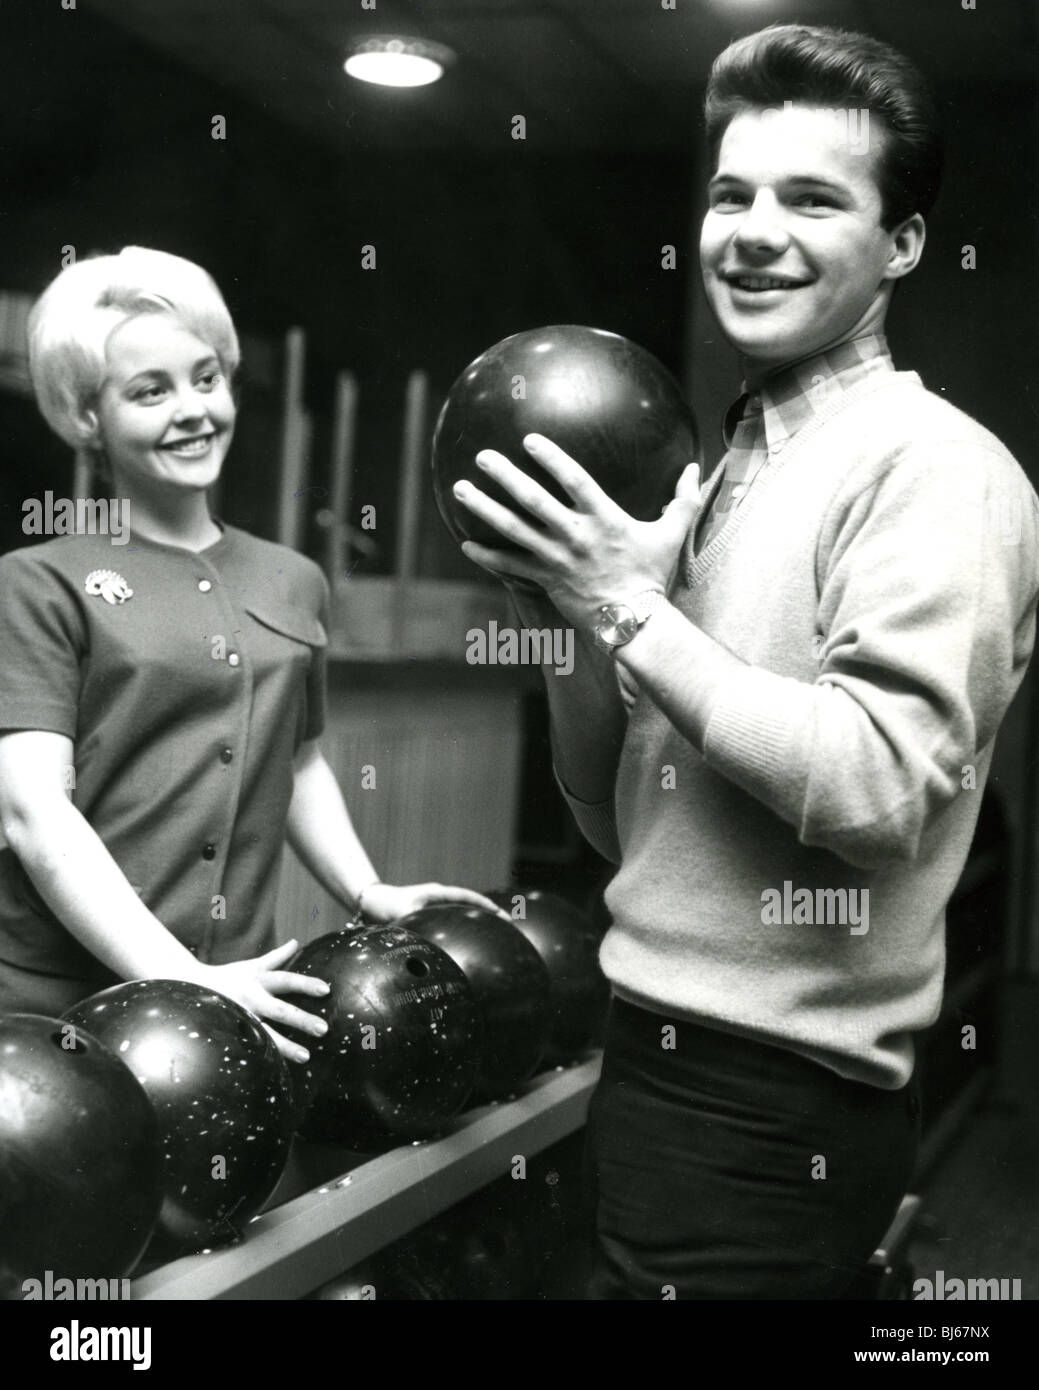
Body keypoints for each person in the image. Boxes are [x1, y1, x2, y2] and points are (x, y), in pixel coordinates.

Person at [454, 24, 1039, 1298]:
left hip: (775, 1111)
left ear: (903, 244)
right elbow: (624, 833)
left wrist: (631, 611)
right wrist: (569, 611)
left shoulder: (936, 468)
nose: (752, 230)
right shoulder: (719, 478)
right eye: (731, 194)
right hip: (648, 1063)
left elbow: (877, 793)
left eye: (813, 198)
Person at [0, 245, 504, 1064]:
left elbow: (297, 760)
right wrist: (179, 975)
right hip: (60, 1006)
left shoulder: (294, 578)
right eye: (149, 391)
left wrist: (365, 890)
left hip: (235, 987)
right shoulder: (34, 583)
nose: (193, 409)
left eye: (207, 377)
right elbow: (34, 815)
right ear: (88, 418)